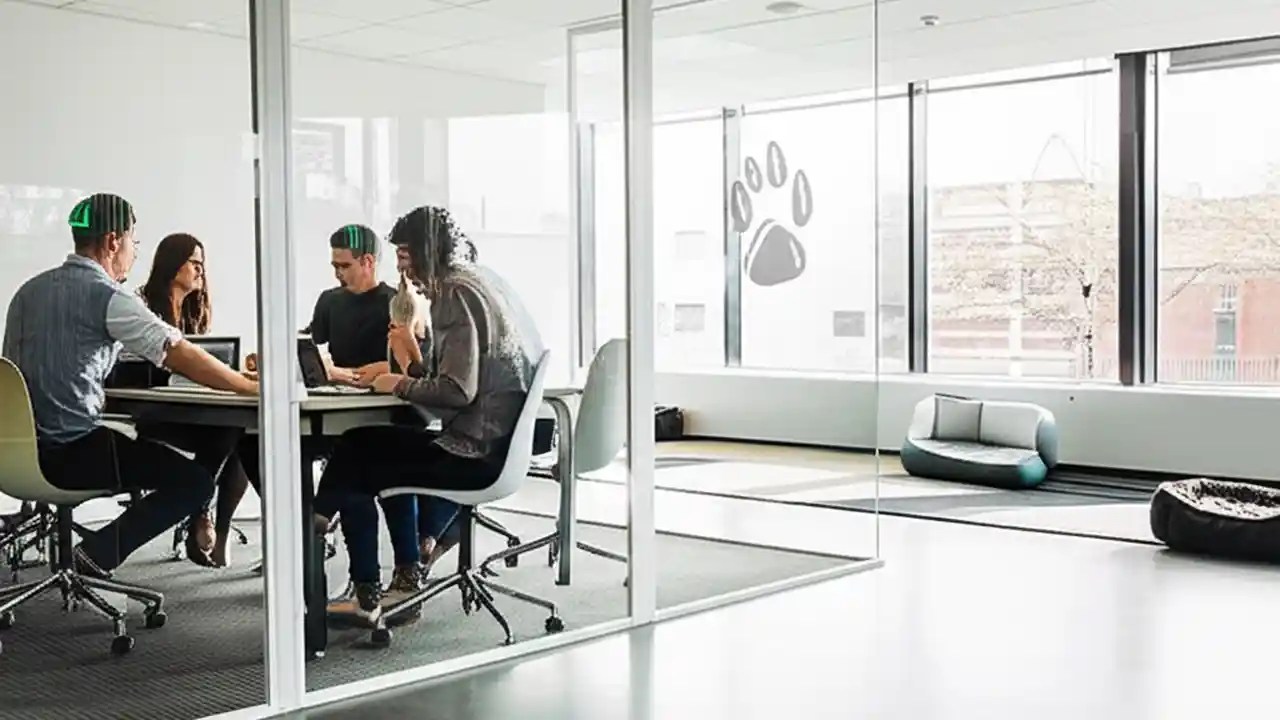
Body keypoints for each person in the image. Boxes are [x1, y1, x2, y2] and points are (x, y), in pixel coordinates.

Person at [2, 193, 258, 578]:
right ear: (112, 242)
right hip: (71, 453)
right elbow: (177, 351)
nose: (134, 254)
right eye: (133, 243)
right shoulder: (107, 295)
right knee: (196, 483)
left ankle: (94, 555)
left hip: (13, 455)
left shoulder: (27, 292)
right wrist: (245, 385)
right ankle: (98, 554)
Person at [314, 206, 544, 626]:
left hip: (473, 453)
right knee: (365, 449)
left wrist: (395, 383)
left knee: (358, 453)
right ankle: (388, 573)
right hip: (493, 444)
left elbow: (457, 392)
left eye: (405, 253)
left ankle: (335, 551)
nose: (401, 266)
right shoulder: (477, 282)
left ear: (426, 251)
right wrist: (412, 366)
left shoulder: (453, 293)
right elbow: (457, 379)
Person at [136, 232, 251, 567]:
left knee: (239, 430)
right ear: (173, 266)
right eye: (195, 264)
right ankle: (202, 514)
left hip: (192, 411)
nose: (201, 272)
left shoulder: (194, 311)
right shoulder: (141, 306)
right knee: (229, 431)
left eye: (203, 265)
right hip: (155, 413)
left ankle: (215, 527)